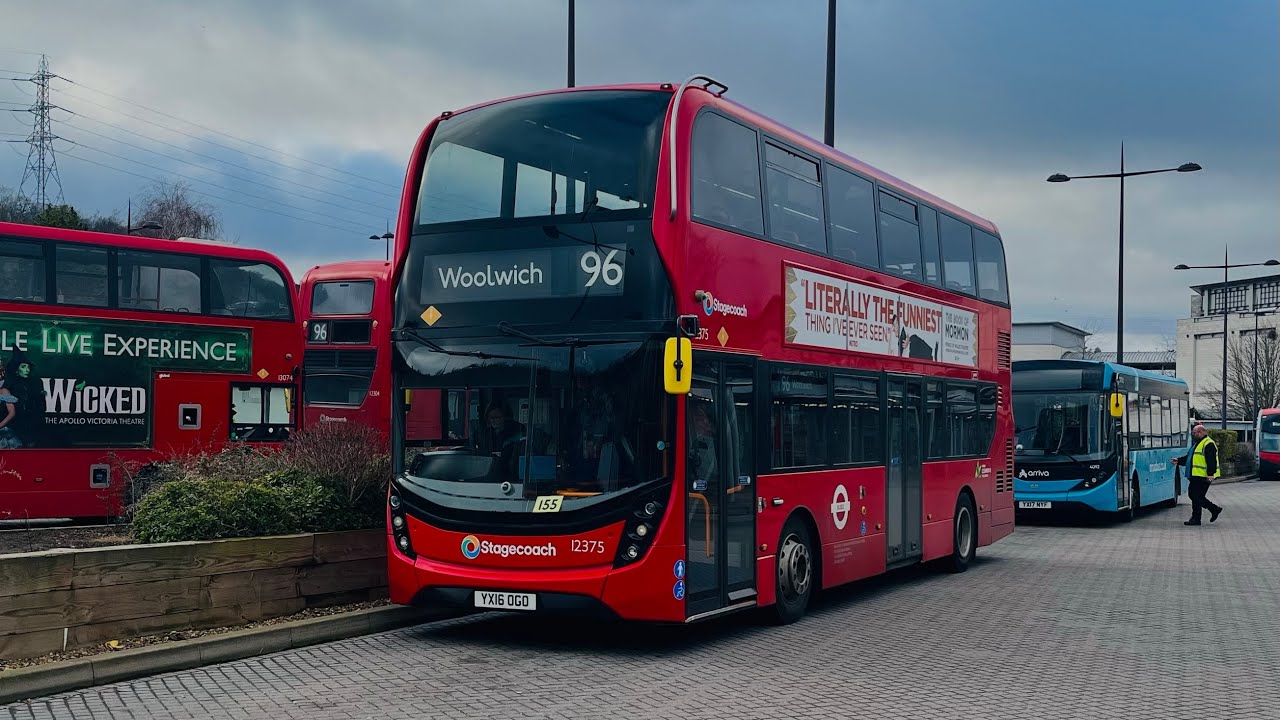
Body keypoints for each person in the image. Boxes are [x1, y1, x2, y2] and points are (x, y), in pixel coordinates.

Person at [1174, 424, 1223, 526]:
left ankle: (1200, 516)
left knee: (1196, 496)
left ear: (1200, 432)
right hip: (1197, 475)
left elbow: (1211, 460)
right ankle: (1212, 510)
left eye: (1194, 433)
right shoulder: (1199, 443)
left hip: (1203, 476)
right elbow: (1191, 458)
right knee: (1195, 496)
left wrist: (1210, 474)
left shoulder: (1208, 443)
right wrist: (1179, 461)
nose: (1193, 435)